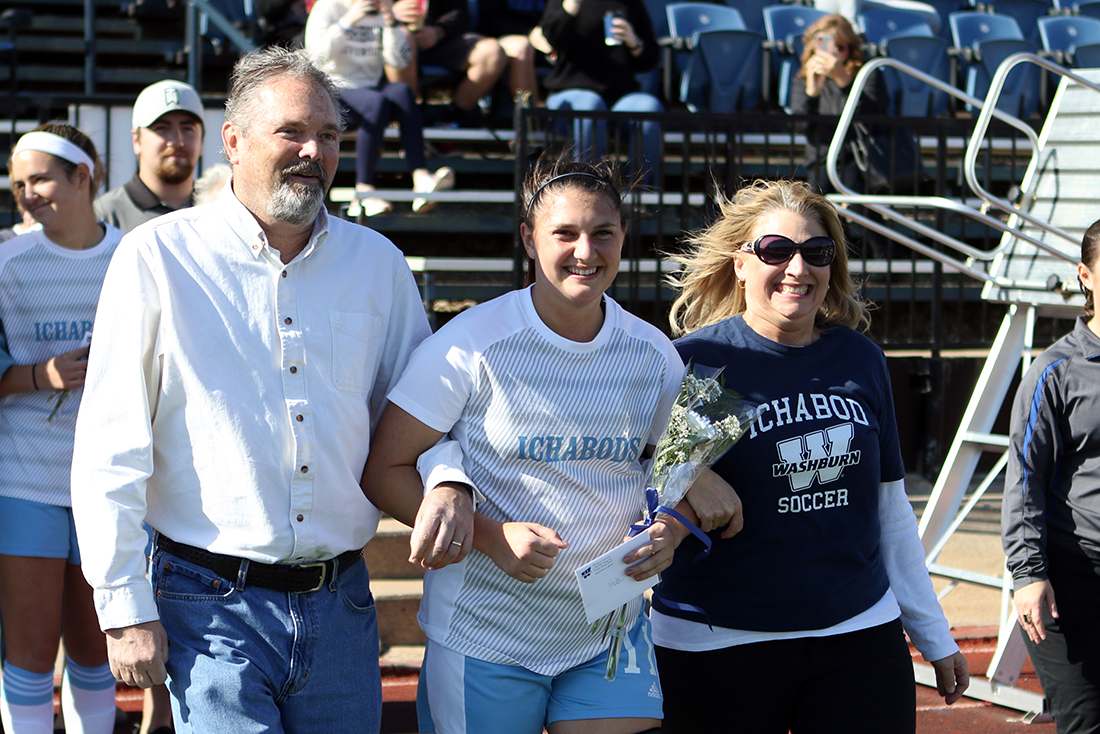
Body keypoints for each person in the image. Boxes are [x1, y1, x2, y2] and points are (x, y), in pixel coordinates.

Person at [70, 46, 434, 733]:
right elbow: (110, 443)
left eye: (328, 135)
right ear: (233, 141)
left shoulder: (378, 265)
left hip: (342, 600)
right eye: (292, 132)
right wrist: (123, 606)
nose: (313, 151)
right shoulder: (156, 257)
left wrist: (445, 481)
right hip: (206, 604)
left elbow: (423, 415)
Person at [361, 156, 741, 734]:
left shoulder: (653, 352)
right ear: (529, 240)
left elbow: (677, 474)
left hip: (607, 632)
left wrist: (673, 526)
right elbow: (384, 468)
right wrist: (488, 535)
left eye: (602, 233)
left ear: (623, 239)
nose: (585, 252)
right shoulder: (469, 344)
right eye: (564, 233)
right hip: (484, 634)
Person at [654, 178, 969, 733]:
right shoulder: (701, 364)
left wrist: (933, 636)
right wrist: (691, 478)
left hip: (857, 634)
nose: (798, 268)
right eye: (777, 250)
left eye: (816, 253)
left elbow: (890, 514)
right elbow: (654, 497)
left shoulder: (860, 360)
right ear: (741, 264)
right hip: (719, 642)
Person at [0, 123, 124, 734]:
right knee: (26, 660)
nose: (27, 193)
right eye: (19, 183)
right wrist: (37, 375)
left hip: (113, 487)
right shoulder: (5, 261)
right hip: (24, 479)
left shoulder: (137, 256)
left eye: (41, 178)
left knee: (96, 655)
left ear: (85, 175)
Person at [1002, 218, 1100, 734]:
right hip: (1075, 580)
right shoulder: (1055, 372)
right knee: (1086, 722)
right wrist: (1028, 574)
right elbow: (1024, 480)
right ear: (1086, 276)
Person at [305, 0, 456, 218]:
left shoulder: (381, 11)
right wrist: (348, 21)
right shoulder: (329, 7)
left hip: (369, 89)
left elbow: (399, 60)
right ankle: (364, 190)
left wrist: (392, 25)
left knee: (401, 92)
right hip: (332, 91)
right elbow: (314, 57)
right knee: (375, 102)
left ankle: (421, 177)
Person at [541, 0, 662, 181]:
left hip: (619, 97)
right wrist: (572, 6)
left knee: (649, 107)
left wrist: (634, 42)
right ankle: (586, 186)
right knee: (590, 103)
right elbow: (553, 38)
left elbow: (650, 59)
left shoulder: (630, 4)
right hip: (570, 93)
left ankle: (638, 195)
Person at [789, 14, 889, 195]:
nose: (833, 53)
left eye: (840, 47)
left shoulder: (867, 73)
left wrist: (843, 79)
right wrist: (812, 92)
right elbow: (800, 125)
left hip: (858, 159)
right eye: (826, 46)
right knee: (817, 211)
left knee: (857, 217)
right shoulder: (804, 78)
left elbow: (873, 116)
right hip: (821, 160)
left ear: (851, 49)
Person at [95, 80, 205, 232]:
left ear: (202, 140)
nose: (176, 141)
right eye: (161, 128)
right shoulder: (104, 216)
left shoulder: (218, 211)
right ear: (136, 140)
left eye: (187, 128)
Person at [388, 0, 512, 125]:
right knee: (402, 39)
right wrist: (391, 13)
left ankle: (451, 120)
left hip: (440, 42)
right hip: (389, 40)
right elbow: (368, 13)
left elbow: (460, 15)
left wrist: (438, 31)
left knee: (492, 52)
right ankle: (405, 120)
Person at [476, 0, 552, 107]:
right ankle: (529, 118)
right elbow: (489, 19)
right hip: (506, 39)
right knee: (522, 48)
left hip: (546, 37)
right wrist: (530, 33)